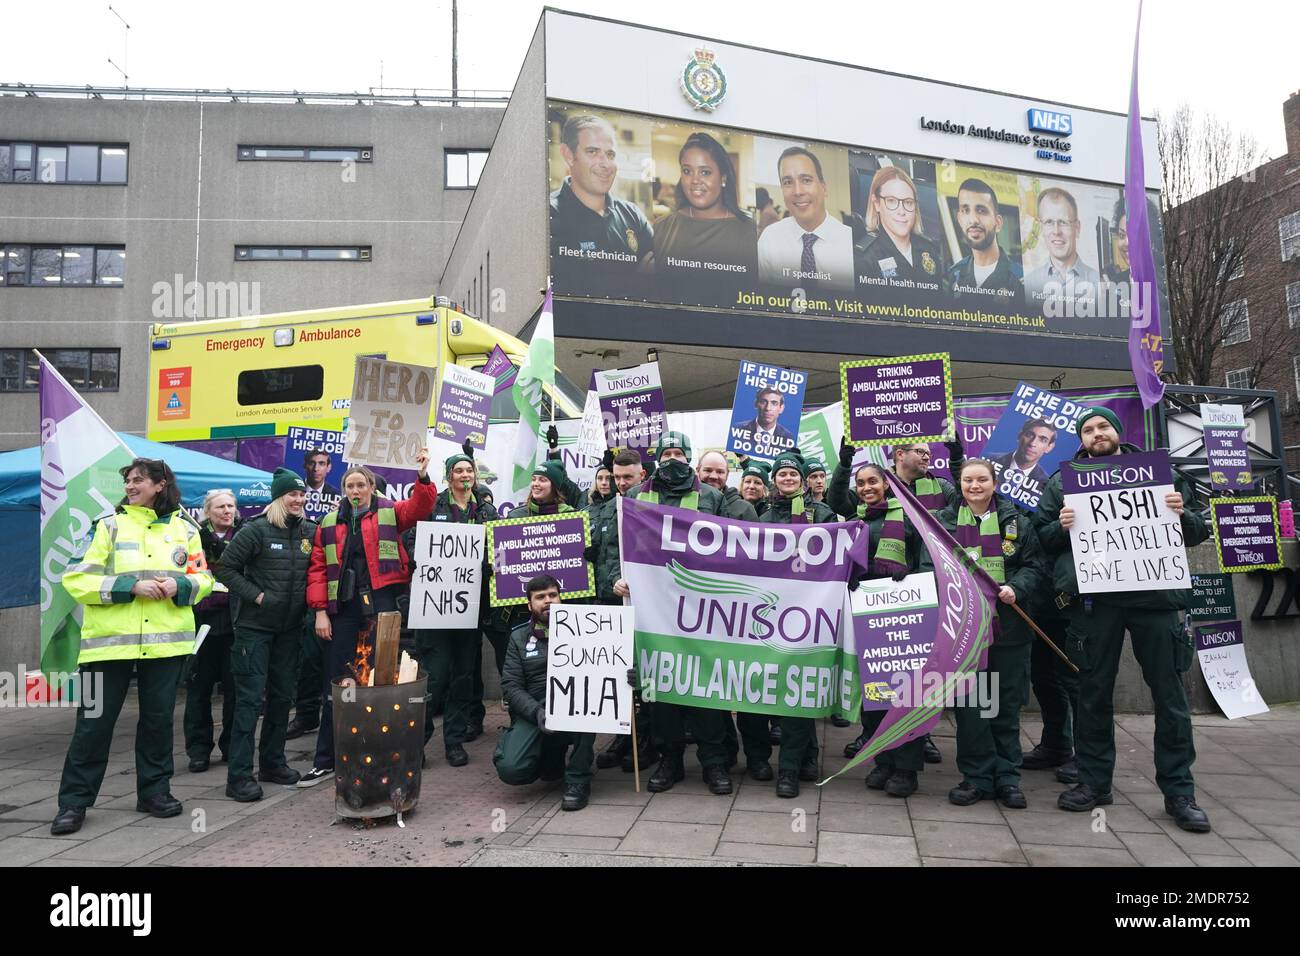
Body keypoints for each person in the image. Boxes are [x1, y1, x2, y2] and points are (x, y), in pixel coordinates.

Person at [1034, 407, 1213, 832]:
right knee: (1092, 694)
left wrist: (1180, 512)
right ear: (1081, 439)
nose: (1097, 434)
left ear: (1116, 432)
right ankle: (1094, 783)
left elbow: (1197, 531)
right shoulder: (1064, 481)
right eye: (1088, 430)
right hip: (1097, 602)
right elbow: (1038, 538)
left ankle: (1179, 793)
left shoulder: (1159, 471)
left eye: (1103, 427)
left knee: (1170, 699)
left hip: (1156, 599)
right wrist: (1060, 527)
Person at [51, 458, 213, 835]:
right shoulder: (106, 526)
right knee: (92, 725)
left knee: (157, 723)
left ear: (160, 485)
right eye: (127, 481)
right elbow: (75, 578)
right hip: (107, 648)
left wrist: (181, 587)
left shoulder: (185, 530)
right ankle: (73, 803)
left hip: (166, 646)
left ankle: (154, 793)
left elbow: (204, 578)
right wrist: (130, 587)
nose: (129, 486)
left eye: (138, 480)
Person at [300, 452, 437, 787]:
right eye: (350, 485)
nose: (356, 490)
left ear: (372, 487)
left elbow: (421, 507)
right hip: (342, 608)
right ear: (344, 490)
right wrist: (320, 611)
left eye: (361, 484)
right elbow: (317, 569)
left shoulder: (390, 511)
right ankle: (326, 759)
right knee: (338, 681)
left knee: (383, 677)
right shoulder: (329, 523)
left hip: (381, 601)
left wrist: (422, 475)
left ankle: (386, 751)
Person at [618, 431, 733, 795]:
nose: (671, 459)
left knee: (705, 685)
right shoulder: (636, 496)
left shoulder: (712, 497)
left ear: (688, 458)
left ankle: (713, 762)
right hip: (654, 611)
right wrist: (617, 580)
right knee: (661, 688)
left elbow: (732, 547)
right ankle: (670, 760)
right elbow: (618, 546)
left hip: (700, 610)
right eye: (665, 453)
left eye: (677, 453)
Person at [937, 458, 1047, 809]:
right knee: (973, 708)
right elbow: (932, 566)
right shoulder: (945, 524)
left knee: (1006, 706)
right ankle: (976, 777)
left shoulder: (1018, 522)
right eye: (968, 480)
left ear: (994, 483)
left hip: (1010, 631)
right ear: (960, 484)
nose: (974, 486)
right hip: (966, 632)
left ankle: (1008, 777)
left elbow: (1035, 566)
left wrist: (1016, 587)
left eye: (981, 480)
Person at [827, 453, 928, 795]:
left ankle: (906, 769)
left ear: (887, 484)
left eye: (873, 481)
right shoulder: (854, 521)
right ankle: (883, 761)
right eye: (861, 484)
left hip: (904, 611)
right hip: (865, 613)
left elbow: (929, 557)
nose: (867, 488)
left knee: (906, 693)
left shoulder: (910, 517)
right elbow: (833, 497)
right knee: (875, 693)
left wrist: (910, 576)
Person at [214, 468, 317, 801]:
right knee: (249, 700)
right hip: (254, 630)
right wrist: (257, 596)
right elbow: (225, 569)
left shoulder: (310, 532)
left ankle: (273, 763)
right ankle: (239, 776)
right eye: (292, 494)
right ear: (278, 497)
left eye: (302, 494)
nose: (299, 499)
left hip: (289, 630)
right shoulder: (255, 530)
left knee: (282, 697)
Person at [759, 449, 837, 798]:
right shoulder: (763, 515)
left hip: (808, 613)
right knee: (777, 693)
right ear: (774, 480)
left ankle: (789, 770)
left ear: (804, 481)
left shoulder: (821, 512)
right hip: (770, 613)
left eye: (793, 475)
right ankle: (806, 755)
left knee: (798, 692)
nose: (787, 479)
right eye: (781, 475)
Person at [414, 451, 498, 766]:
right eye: (458, 471)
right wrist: (422, 560)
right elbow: (413, 541)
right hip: (435, 610)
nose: (465, 475)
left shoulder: (487, 512)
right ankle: (416, 741)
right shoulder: (432, 507)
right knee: (434, 679)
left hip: (470, 610)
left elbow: (497, 550)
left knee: (463, 677)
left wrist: (488, 566)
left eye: (469, 470)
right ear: (449, 476)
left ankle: (454, 741)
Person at [494, 575, 596, 811]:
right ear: (529, 605)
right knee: (511, 769)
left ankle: (578, 780)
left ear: (561, 599)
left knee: (588, 710)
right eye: (540, 597)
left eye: (553, 595)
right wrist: (536, 712)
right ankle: (549, 757)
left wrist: (629, 674)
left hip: (575, 702)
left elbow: (609, 662)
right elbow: (510, 686)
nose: (548, 601)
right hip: (536, 709)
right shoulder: (518, 637)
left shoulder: (588, 628)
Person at [589, 449, 661, 774]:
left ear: (642, 476)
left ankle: (647, 741)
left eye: (627, 477)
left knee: (644, 676)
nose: (620, 483)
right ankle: (623, 736)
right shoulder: (606, 510)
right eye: (616, 477)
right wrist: (612, 580)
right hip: (612, 604)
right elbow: (603, 558)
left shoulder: (652, 509)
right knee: (620, 675)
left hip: (648, 608)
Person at [549, 113, 654, 271]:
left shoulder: (631, 215)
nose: (605, 164)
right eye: (592, 152)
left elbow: (658, 275)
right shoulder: (548, 215)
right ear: (569, 155)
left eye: (610, 154)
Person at [184, 489, 241, 773]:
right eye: (220, 506)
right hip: (201, 623)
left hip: (234, 624)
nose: (227, 511)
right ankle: (198, 750)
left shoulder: (243, 535)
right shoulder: (192, 537)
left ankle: (231, 746)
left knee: (235, 690)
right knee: (198, 690)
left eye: (231, 506)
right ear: (207, 511)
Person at [655, 132, 757, 278]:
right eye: (687, 171)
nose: (695, 180)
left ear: (723, 178)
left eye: (705, 172)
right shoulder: (662, 227)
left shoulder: (749, 232)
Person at [757, 146, 854, 291]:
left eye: (806, 180)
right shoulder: (769, 239)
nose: (797, 191)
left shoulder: (849, 241)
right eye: (788, 182)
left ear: (824, 188)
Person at [854, 166, 943, 287]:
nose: (901, 211)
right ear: (877, 204)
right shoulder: (864, 258)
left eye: (908, 202)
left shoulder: (929, 250)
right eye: (892, 201)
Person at [946, 178, 1024, 300]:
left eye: (981, 210)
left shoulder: (1021, 279)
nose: (973, 220)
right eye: (965, 210)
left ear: (998, 223)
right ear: (960, 219)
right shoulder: (954, 275)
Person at [1025, 186, 1100, 304]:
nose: (1056, 231)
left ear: (1077, 228)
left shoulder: (1099, 283)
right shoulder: (1028, 284)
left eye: (1063, 222)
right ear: (1041, 228)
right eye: (1049, 222)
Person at [989, 418, 1057, 490]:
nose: (1032, 443)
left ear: (1049, 447)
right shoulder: (988, 460)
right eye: (1029, 435)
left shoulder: (1046, 485)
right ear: (1020, 435)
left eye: (1043, 440)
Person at [732, 387, 796, 457]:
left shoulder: (789, 438)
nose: (768, 408)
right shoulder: (737, 429)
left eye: (774, 403)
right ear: (756, 404)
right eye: (763, 402)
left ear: (781, 408)